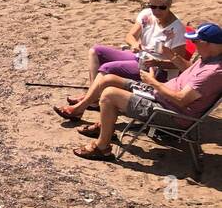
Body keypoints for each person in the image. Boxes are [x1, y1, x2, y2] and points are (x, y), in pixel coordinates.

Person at [59, 23, 222, 161]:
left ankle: (102, 147)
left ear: (210, 44)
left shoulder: (212, 73)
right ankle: (94, 119)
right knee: (106, 79)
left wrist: (153, 82)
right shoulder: (208, 59)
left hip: (170, 114)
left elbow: (181, 100)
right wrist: (171, 57)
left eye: (197, 42)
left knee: (109, 95)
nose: (194, 45)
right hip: (160, 97)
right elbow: (189, 70)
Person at [83, 0, 190, 84]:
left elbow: (179, 63)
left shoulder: (177, 29)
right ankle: (93, 96)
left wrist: (158, 63)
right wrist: (134, 43)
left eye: (162, 7)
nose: (157, 11)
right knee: (95, 51)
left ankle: (90, 99)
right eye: (153, 6)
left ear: (169, 5)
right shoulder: (147, 15)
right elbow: (130, 35)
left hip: (159, 70)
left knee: (107, 68)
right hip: (141, 57)